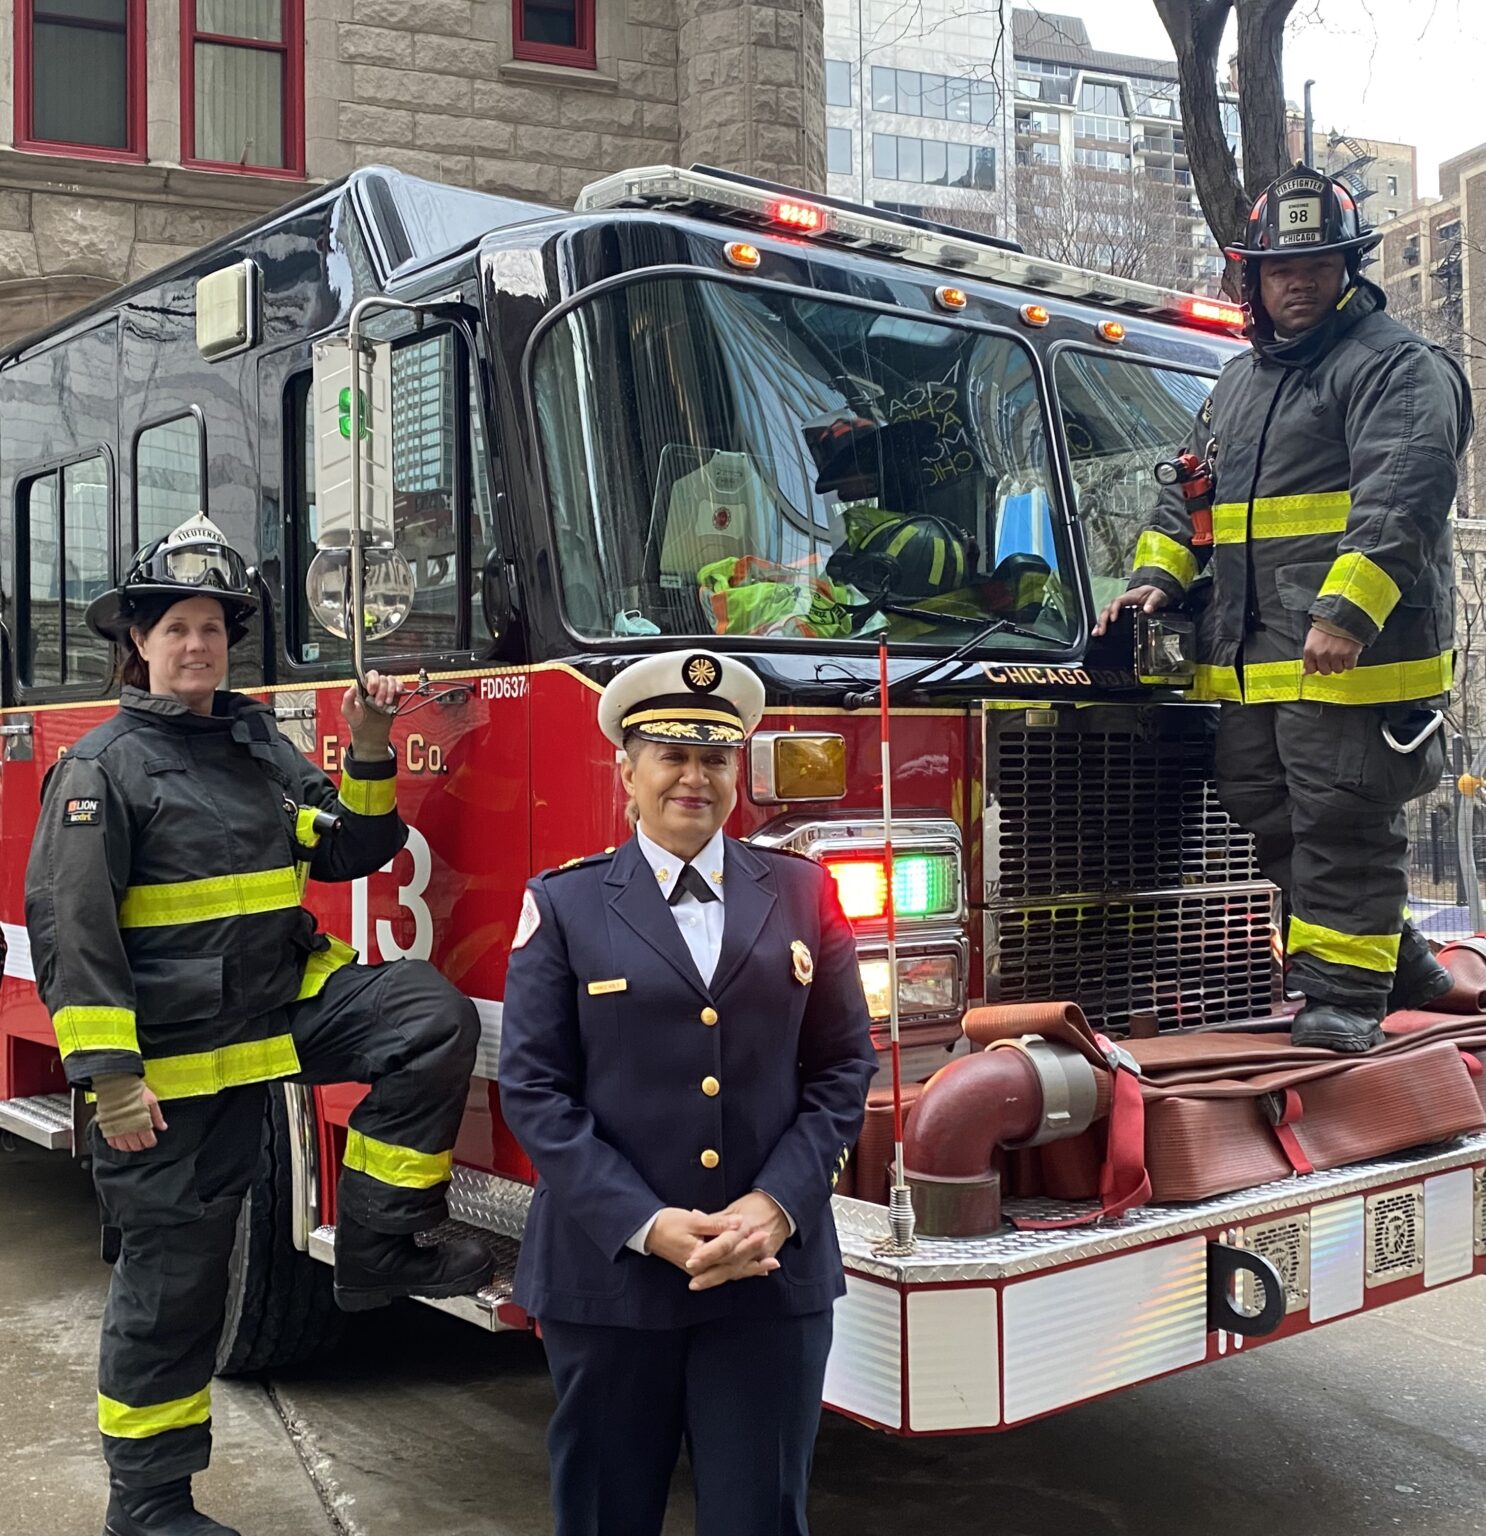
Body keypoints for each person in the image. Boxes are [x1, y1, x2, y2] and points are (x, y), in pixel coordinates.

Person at [24, 514, 486, 1536]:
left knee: (424, 1014)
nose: (198, 645)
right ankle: (148, 1507)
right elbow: (73, 934)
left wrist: (369, 749)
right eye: (178, 627)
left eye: (214, 629)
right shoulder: (101, 771)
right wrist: (110, 1079)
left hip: (279, 1017)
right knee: (172, 1294)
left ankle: (377, 1243)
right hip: (174, 1075)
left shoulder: (251, 743)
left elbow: (352, 850)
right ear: (138, 643)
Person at [1096, 163, 1474, 1053]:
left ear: (1349, 270)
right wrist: (1158, 580)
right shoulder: (1236, 388)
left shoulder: (1398, 367)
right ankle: (1400, 959)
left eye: (1316, 266)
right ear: (1253, 280)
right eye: (1278, 270)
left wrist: (1347, 612)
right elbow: (1187, 503)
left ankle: (1345, 1000)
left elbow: (1402, 496)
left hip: (1354, 661)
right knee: (1271, 814)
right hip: (1252, 659)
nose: (1297, 282)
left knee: (1340, 819)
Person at [499, 648, 875, 1536]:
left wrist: (778, 1206)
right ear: (626, 769)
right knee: (604, 1515)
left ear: (737, 770)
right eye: (671, 754)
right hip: (612, 1278)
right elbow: (535, 1091)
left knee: (761, 1517)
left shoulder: (803, 892)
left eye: (715, 757)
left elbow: (840, 1071)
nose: (694, 778)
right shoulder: (565, 905)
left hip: (766, 1281)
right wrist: (650, 1224)